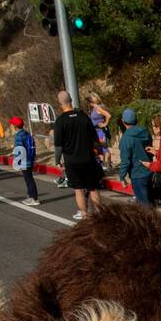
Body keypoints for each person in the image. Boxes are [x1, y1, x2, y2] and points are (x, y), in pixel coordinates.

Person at [54, 89, 105, 222]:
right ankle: (99, 216)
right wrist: (99, 152)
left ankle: (85, 215)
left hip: (72, 161)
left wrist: (57, 161)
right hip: (88, 158)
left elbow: (58, 146)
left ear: (60, 103)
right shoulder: (83, 116)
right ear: (71, 100)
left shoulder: (60, 121)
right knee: (93, 188)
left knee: (79, 189)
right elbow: (94, 137)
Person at [118, 107, 152, 206]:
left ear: (123, 121)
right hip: (149, 170)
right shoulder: (146, 132)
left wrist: (122, 176)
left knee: (143, 205)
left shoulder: (126, 138)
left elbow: (125, 161)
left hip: (137, 174)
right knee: (149, 201)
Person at [10, 116, 40, 207]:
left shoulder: (18, 136)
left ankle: (33, 198)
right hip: (30, 158)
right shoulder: (27, 133)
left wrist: (17, 161)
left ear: (15, 126)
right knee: (29, 178)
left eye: (12, 125)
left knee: (29, 179)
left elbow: (20, 149)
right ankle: (30, 195)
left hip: (24, 160)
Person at [87, 93, 112, 170]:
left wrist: (105, 124)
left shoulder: (98, 108)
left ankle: (107, 165)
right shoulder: (95, 108)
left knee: (104, 149)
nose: (89, 102)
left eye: (89, 100)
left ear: (93, 100)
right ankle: (107, 165)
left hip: (100, 132)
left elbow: (108, 115)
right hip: (96, 131)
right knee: (101, 149)